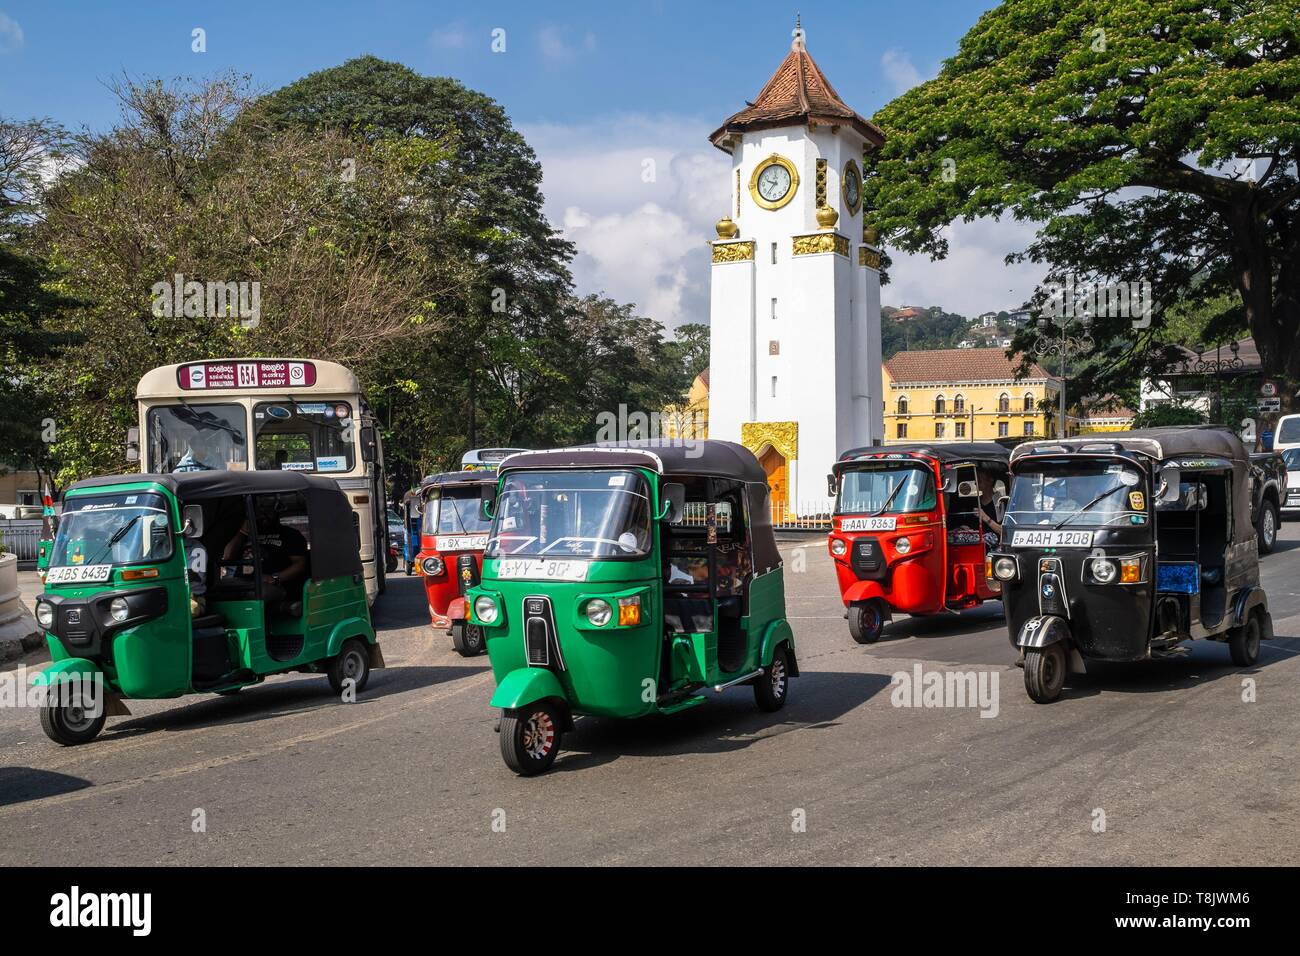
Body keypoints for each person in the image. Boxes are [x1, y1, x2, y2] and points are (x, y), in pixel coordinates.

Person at [222, 496, 308, 612]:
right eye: (259, 510)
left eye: (268, 509)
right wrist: (242, 531)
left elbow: (300, 564)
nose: (263, 514)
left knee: (255, 595)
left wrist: (275, 578)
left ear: (277, 511)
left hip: (274, 585)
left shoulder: (290, 534)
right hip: (243, 581)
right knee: (216, 591)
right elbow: (227, 557)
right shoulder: (245, 534)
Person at [977, 471, 1003, 547]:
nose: (976, 483)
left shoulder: (1000, 502)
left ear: (990, 480)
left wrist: (985, 517)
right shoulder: (976, 501)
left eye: (979, 480)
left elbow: (1003, 532)